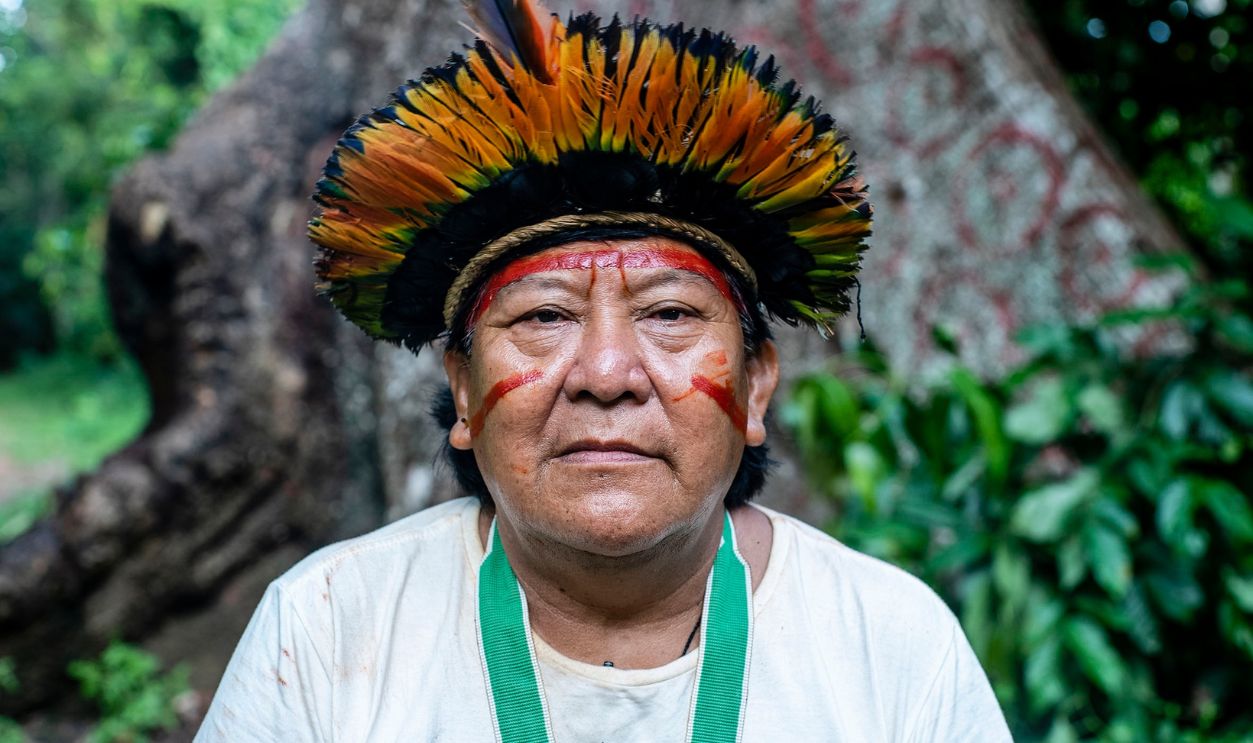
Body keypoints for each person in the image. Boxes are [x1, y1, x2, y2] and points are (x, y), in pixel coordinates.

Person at [197, 1, 1013, 740]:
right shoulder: (324, 629)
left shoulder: (892, 644)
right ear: (462, 391)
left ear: (757, 384)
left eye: (669, 314)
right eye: (543, 316)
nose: (607, 372)